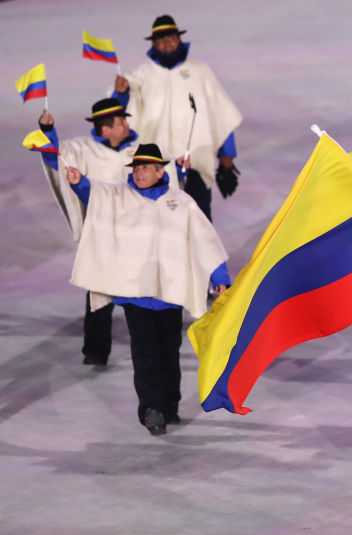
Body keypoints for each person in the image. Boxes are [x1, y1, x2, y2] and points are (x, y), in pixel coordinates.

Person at [65, 144, 230, 435]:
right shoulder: (118, 197)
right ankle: (151, 409)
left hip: (169, 294)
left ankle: (169, 404)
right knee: (144, 354)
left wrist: (220, 276)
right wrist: (80, 182)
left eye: (145, 168)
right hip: (136, 295)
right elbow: (94, 195)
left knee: (168, 352)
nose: (139, 173)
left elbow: (204, 240)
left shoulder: (181, 202)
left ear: (159, 171)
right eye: (136, 168)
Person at [35, 98, 141, 366]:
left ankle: (147, 346)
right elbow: (54, 157)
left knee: (141, 293)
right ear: (105, 129)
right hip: (102, 234)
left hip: (138, 234)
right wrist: (47, 131)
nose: (127, 124)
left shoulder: (140, 149)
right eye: (121, 122)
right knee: (100, 293)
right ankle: (95, 350)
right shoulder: (82, 150)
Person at [113, 14, 242, 221]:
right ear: (154, 44)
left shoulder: (200, 72)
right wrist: (120, 94)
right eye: (161, 39)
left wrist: (226, 159)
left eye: (171, 37)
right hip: (157, 169)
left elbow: (220, 115)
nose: (166, 43)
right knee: (162, 225)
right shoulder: (140, 76)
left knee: (198, 222)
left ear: (179, 39)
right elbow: (119, 117)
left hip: (195, 165)